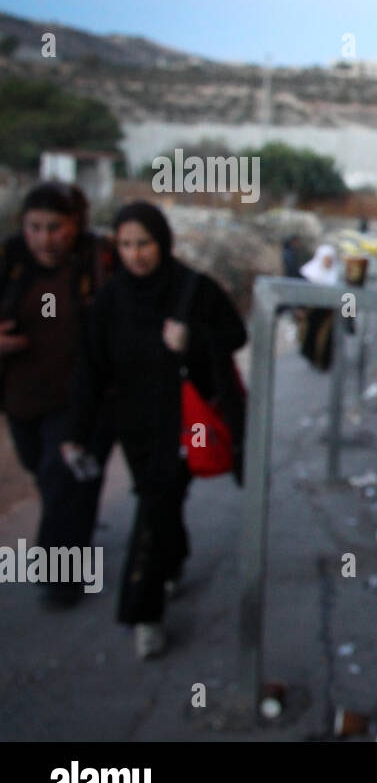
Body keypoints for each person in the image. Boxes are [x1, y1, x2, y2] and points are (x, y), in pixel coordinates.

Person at [65, 201, 247, 659]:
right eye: (125, 245)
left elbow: (236, 335)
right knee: (161, 500)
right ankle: (174, 555)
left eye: (143, 243)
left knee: (157, 500)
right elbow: (91, 367)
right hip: (138, 424)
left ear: (161, 241)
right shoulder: (110, 299)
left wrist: (193, 340)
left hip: (191, 426)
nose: (135, 254)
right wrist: (77, 430)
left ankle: (143, 613)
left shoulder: (192, 288)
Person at [0, 182, 114, 606]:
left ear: (75, 225)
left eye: (55, 228)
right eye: (35, 228)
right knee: (50, 476)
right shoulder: (9, 260)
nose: (44, 239)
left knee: (61, 475)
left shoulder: (100, 260)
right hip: (22, 401)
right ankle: (72, 542)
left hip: (83, 403)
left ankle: (61, 580)